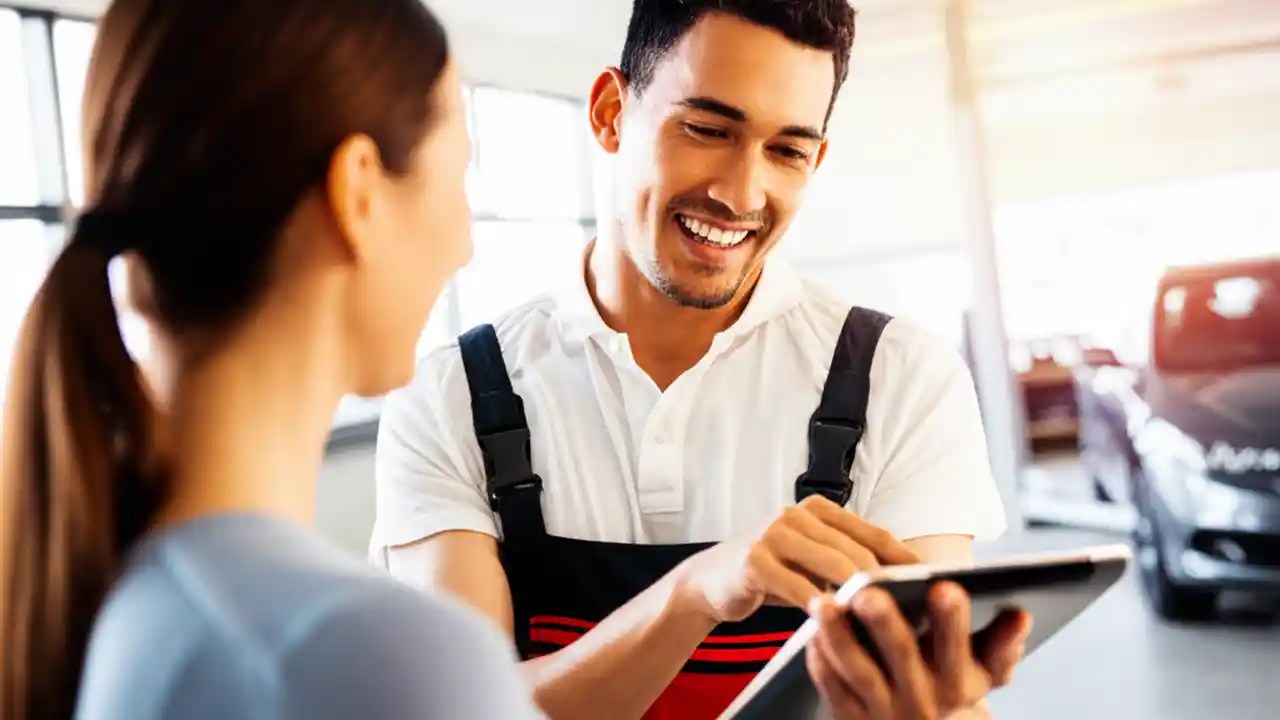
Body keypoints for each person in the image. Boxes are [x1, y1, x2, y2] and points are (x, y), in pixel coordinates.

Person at [373, 1, 1032, 719]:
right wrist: (697, 593)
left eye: (787, 151)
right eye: (708, 129)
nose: (741, 193)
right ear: (610, 115)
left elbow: (939, 700)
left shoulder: (901, 378)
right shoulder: (451, 396)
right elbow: (458, 711)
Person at [0, 1, 544, 718]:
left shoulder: (122, 594)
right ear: (359, 195)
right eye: (459, 171)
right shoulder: (372, 655)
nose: (464, 244)